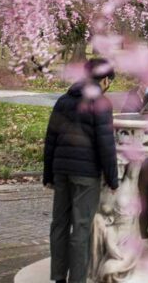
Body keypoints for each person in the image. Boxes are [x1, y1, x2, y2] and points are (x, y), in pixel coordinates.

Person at [43, 58, 120, 283]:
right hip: (86, 174)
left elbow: (51, 140)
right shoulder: (101, 103)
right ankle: (77, 279)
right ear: (104, 79)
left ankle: (58, 278)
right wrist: (112, 179)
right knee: (81, 228)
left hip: (61, 171)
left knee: (59, 223)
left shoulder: (64, 100)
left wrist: (48, 175)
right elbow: (106, 145)